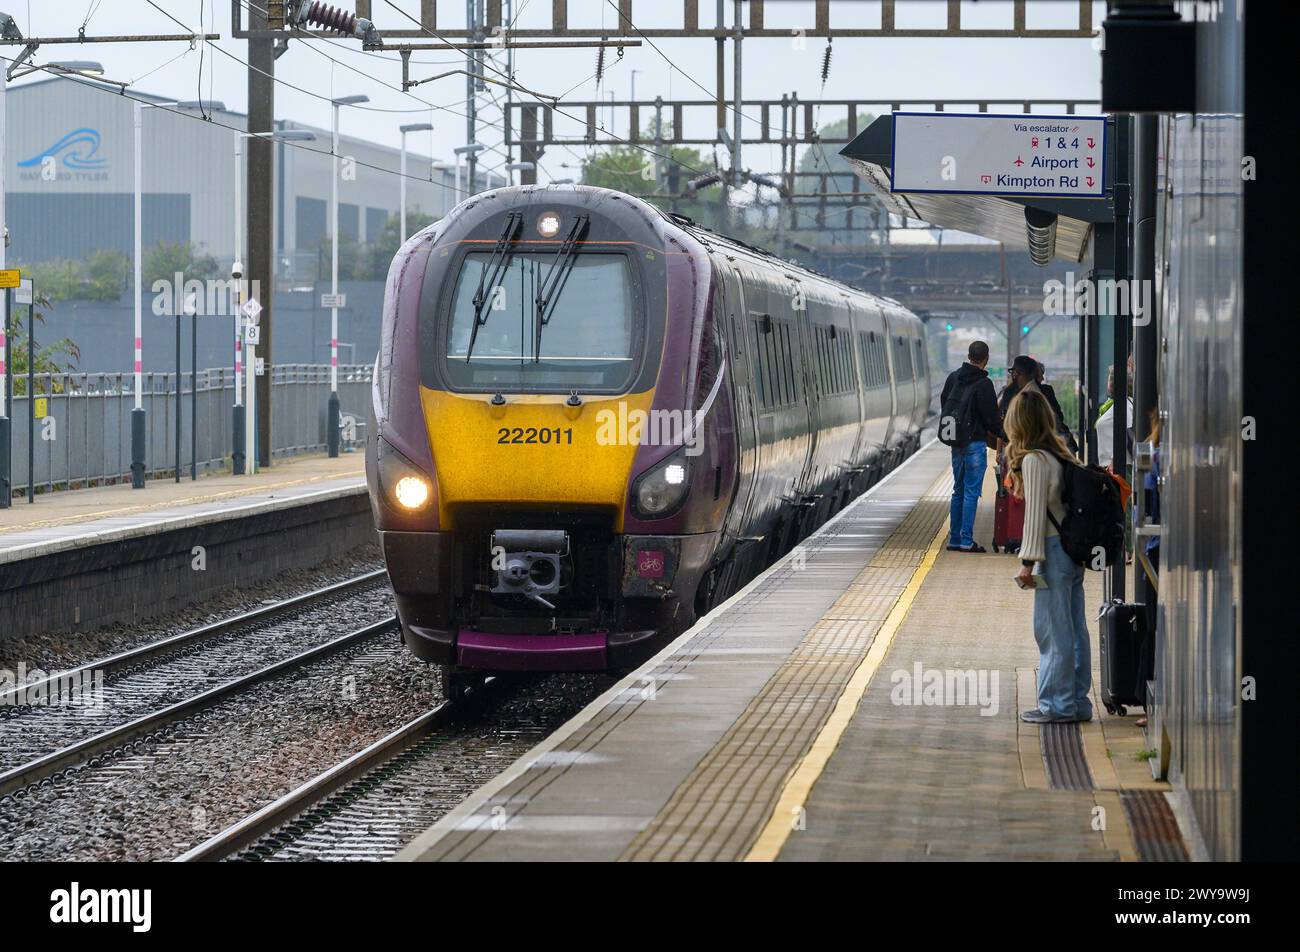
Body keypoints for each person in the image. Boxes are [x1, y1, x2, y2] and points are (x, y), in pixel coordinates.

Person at [1007, 389, 1093, 724]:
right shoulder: (1062, 455)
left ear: (1019, 423)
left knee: (1051, 632)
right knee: (1074, 629)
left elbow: (1035, 517)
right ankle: (1077, 702)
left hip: (1053, 554)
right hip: (1071, 554)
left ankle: (1056, 706)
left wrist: (1027, 561)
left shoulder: (1033, 460)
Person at [940, 340, 1005, 553]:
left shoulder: (953, 378)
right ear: (985, 359)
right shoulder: (984, 384)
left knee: (957, 490)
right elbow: (991, 419)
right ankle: (967, 541)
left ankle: (954, 539)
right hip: (975, 443)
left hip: (956, 443)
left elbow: (945, 403)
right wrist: (1006, 436)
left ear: (969, 356)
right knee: (971, 492)